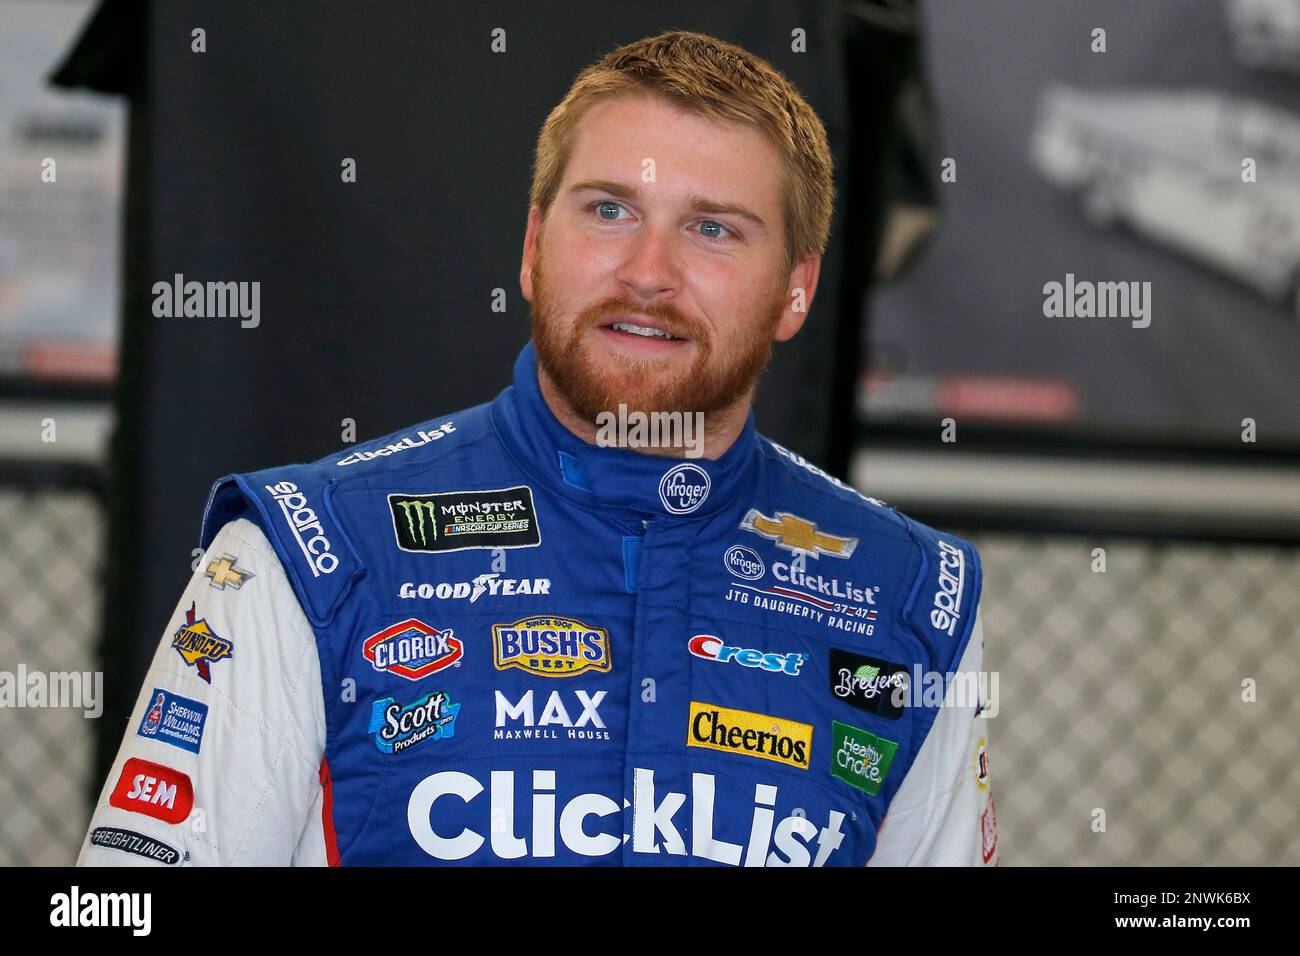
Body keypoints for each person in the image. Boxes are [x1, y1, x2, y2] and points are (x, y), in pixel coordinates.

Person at [79, 30, 997, 867]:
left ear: (797, 293)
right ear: (531, 246)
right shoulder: (307, 552)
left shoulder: (909, 596)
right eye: (608, 211)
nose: (648, 274)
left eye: (712, 228)